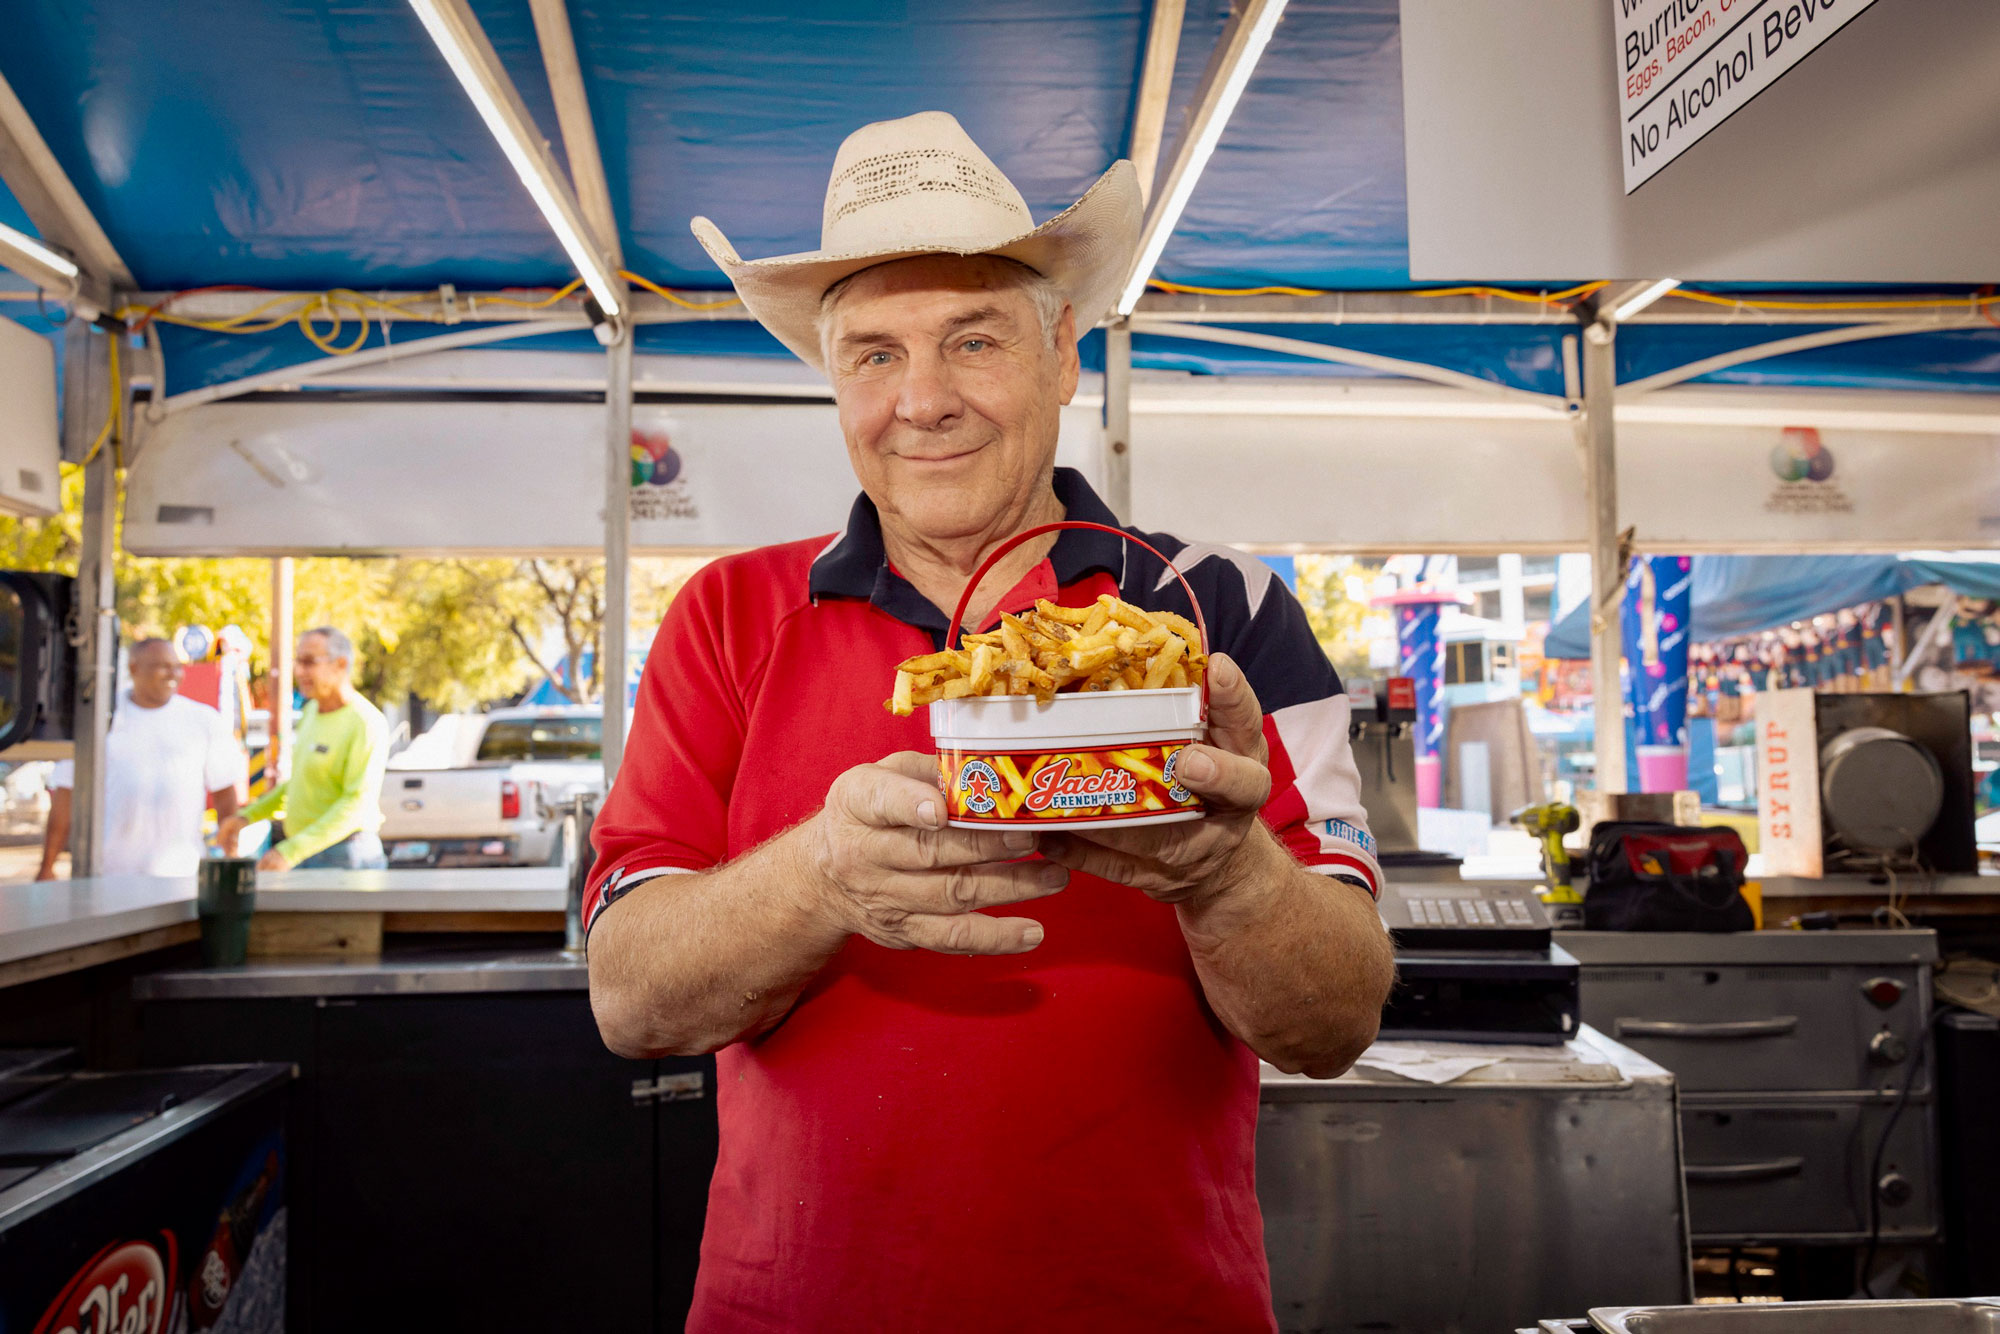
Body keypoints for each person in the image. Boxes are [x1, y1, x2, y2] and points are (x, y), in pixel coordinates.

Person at [584, 113, 1395, 1332]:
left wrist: (1226, 874)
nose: (922, 400)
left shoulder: (1216, 606)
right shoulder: (727, 615)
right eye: (871, 353)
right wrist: (822, 874)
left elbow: (1337, 1016)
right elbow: (631, 1002)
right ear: (831, 379)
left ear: (1062, 354)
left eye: (972, 339)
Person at [38, 638, 247, 879]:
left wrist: (230, 855)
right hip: (108, 876)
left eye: (177, 666)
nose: (174, 674)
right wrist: (47, 866)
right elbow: (67, 795)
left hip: (181, 876)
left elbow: (224, 793)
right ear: (134, 668)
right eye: (162, 666)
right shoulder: (98, 719)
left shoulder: (203, 720)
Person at [220, 627, 388, 871]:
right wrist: (246, 817)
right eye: (297, 662)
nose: (299, 671)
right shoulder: (311, 712)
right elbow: (297, 784)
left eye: (309, 662)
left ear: (340, 665)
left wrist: (291, 850)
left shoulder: (365, 721)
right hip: (303, 851)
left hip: (345, 855)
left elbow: (356, 803)